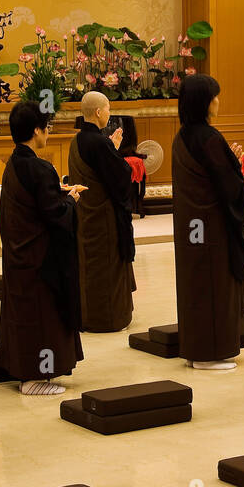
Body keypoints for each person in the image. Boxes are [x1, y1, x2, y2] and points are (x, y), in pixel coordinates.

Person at [0, 102, 85, 395]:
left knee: (25, 315)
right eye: (46, 126)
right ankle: (35, 377)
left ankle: (26, 371)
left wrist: (60, 195)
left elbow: (36, 204)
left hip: (20, 253)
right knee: (42, 315)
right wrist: (71, 200)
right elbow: (55, 215)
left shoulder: (14, 163)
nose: (48, 131)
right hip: (40, 258)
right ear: (36, 130)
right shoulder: (39, 166)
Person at [171, 75, 244, 371]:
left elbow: (203, 179)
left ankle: (196, 349)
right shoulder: (209, 138)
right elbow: (228, 187)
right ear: (204, 102)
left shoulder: (181, 137)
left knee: (195, 288)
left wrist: (228, 162)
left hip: (191, 231)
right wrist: (235, 165)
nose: (218, 102)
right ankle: (212, 353)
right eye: (215, 97)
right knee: (215, 287)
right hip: (214, 230)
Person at [68, 92, 137, 332]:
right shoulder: (99, 143)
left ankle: (86, 316)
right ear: (98, 112)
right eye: (107, 108)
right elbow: (120, 179)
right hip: (104, 219)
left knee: (88, 268)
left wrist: (112, 149)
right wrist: (115, 150)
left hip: (84, 215)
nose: (109, 113)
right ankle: (107, 318)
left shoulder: (76, 141)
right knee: (107, 268)